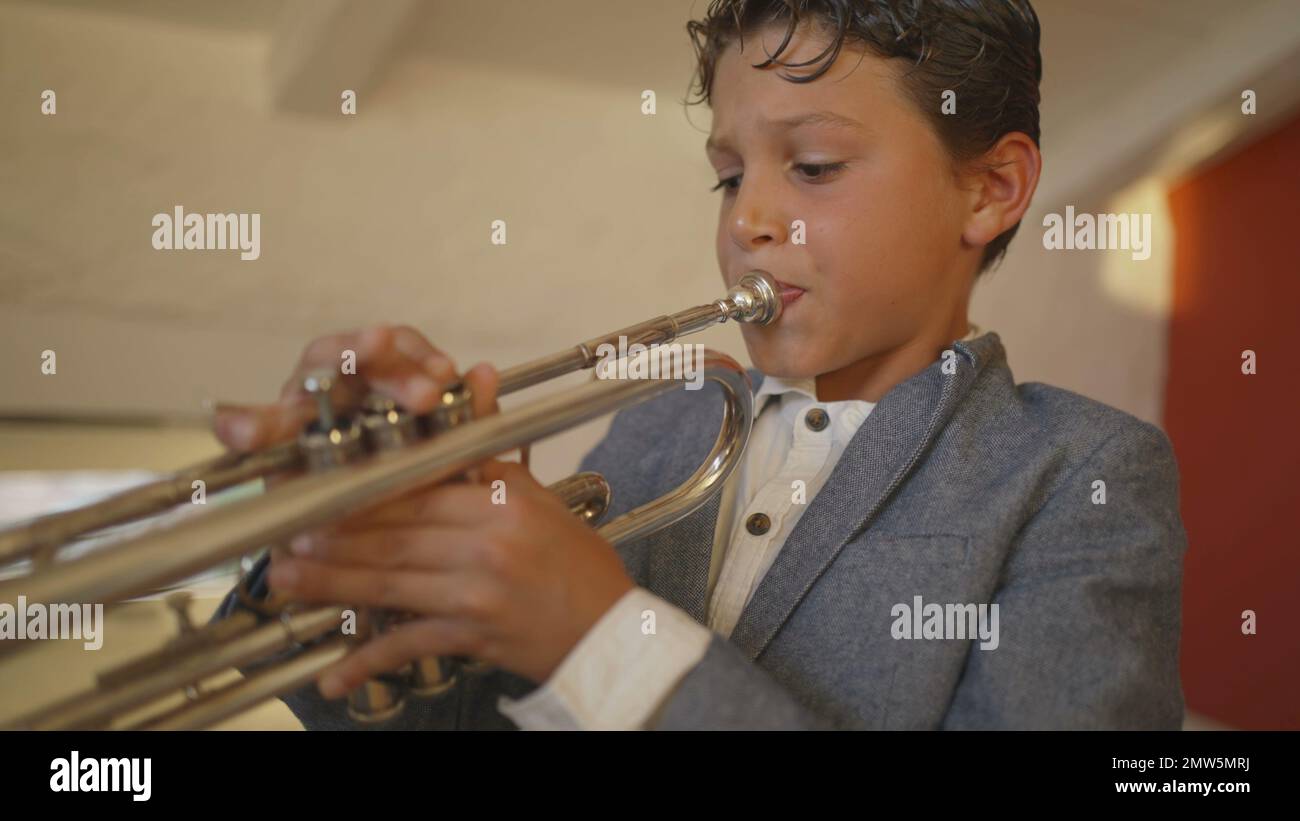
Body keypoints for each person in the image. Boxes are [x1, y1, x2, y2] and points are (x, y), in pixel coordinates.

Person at [212, 0, 1186, 730]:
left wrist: (602, 631)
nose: (746, 220)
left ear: (989, 189)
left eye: (810, 166)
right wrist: (352, 556)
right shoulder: (664, 422)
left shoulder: (1080, 471)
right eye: (728, 176)